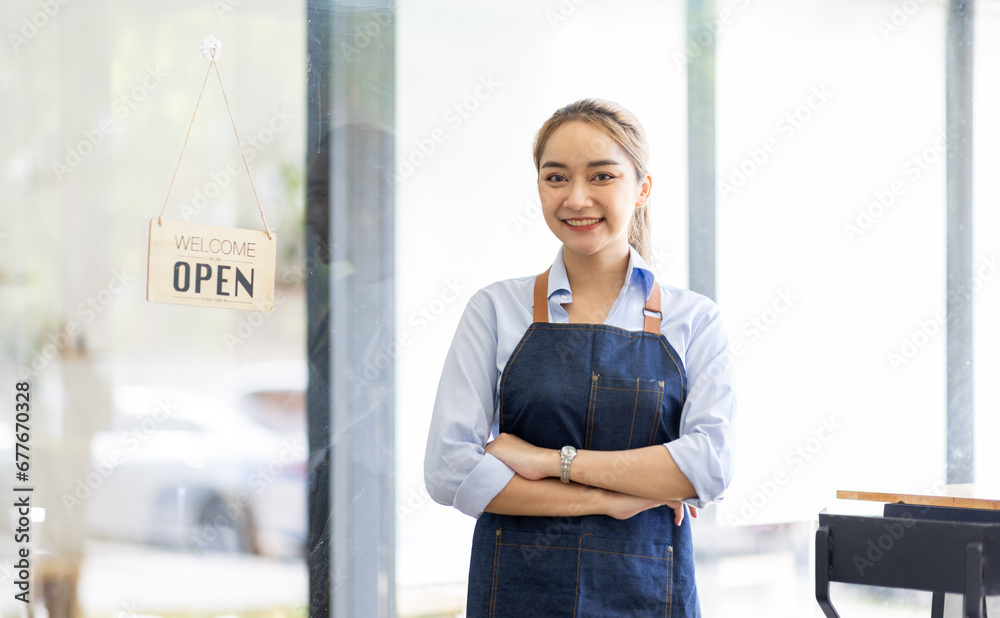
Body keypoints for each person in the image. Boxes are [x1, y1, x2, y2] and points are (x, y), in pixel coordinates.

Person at [423, 98, 736, 617]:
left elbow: (708, 468)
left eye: (602, 176)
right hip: (518, 591)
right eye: (556, 178)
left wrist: (549, 462)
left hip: (647, 591)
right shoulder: (495, 310)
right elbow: (449, 471)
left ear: (642, 189)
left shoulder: (695, 321)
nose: (576, 198)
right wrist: (611, 498)